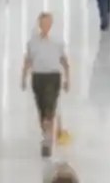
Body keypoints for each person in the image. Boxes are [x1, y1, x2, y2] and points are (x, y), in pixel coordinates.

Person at [21, 12, 71, 158]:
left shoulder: (57, 42)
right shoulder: (32, 43)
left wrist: (68, 79)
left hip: (53, 77)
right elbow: (28, 60)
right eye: (43, 23)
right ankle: (45, 132)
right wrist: (23, 77)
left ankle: (48, 137)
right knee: (42, 108)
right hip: (38, 77)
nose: (45, 26)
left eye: (48, 23)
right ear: (39, 24)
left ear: (51, 24)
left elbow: (64, 61)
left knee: (50, 106)